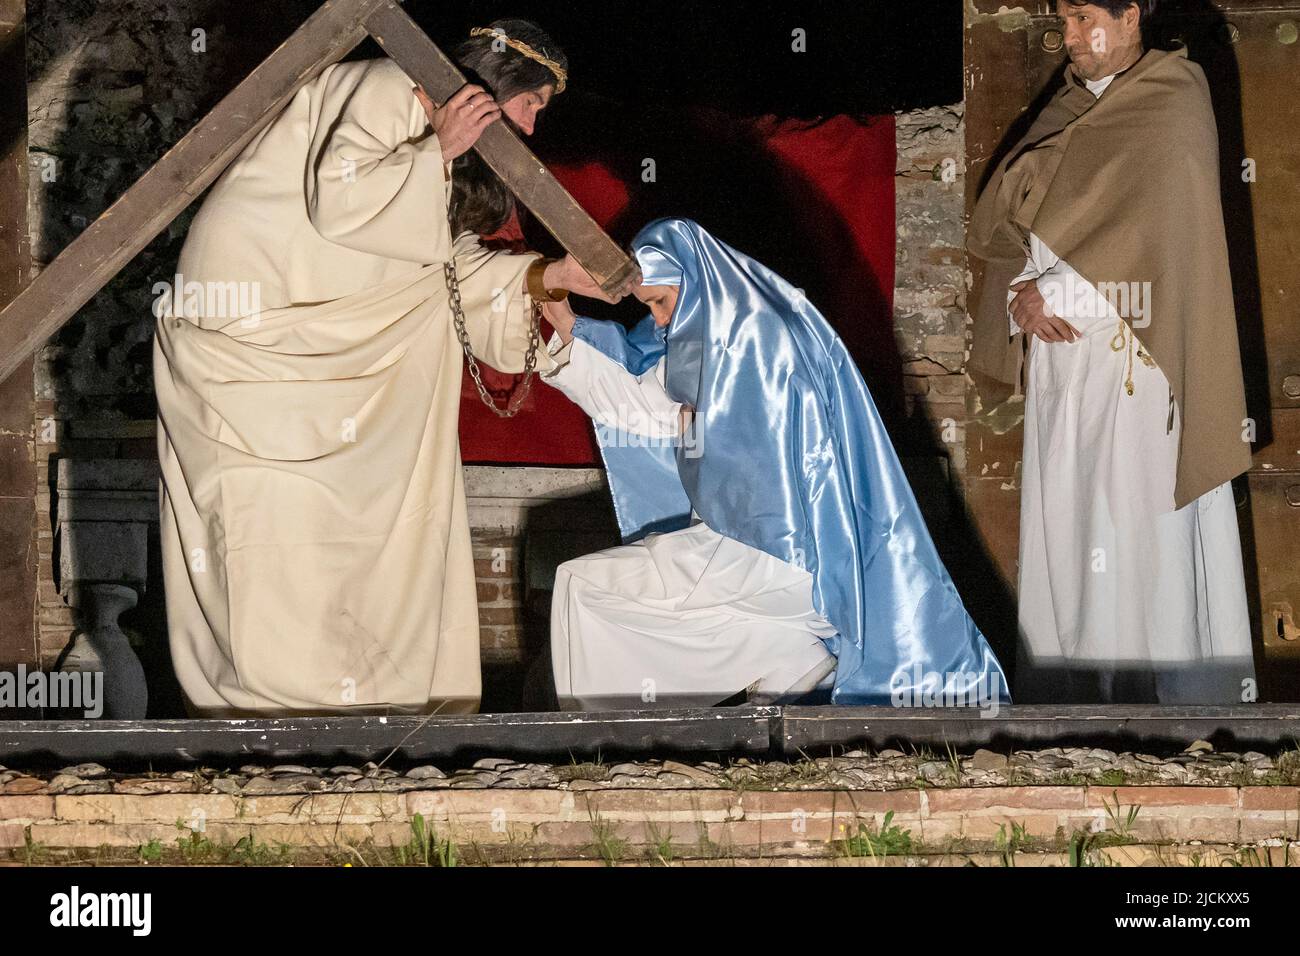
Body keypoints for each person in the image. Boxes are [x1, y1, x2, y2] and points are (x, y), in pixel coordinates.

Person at [153, 20, 625, 716]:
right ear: (500, 85)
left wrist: (545, 275)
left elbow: (433, 263)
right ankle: (271, 710)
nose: (529, 126)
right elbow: (342, 202)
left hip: (343, 357)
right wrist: (439, 147)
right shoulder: (383, 87)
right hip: (258, 355)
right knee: (274, 536)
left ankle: (376, 704)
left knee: (371, 540)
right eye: (531, 104)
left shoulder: (440, 147)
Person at [538, 218, 1009, 711]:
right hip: (749, 551)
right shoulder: (701, 340)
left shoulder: (760, 337)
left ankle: (609, 740)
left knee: (587, 588)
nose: (657, 320)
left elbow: (705, 417)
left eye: (660, 302)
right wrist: (565, 320)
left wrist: (694, 423)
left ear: (698, 284)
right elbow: (643, 404)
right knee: (596, 592)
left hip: (778, 550)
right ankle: (783, 657)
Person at [968, 0, 1254, 703]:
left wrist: (1055, 295)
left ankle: (1160, 701)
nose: (1067, 37)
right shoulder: (1065, 106)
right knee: (1067, 526)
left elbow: (1170, 234)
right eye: (1061, 20)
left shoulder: (1173, 99)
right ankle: (1074, 699)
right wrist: (1021, 298)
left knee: (1136, 529)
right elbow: (1016, 227)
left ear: (1131, 17)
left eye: (1082, 17)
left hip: (1140, 353)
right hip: (1062, 363)